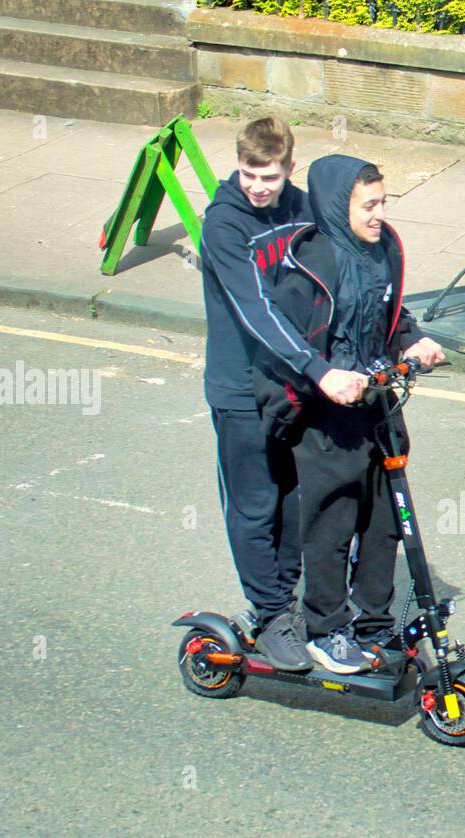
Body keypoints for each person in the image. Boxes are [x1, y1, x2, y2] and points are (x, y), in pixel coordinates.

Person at [251, 155, 446, 674]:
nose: (380, 214)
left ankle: (372, 622)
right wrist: (327, 376)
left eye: (383, 202)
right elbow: (284, 345)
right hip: (325, 412)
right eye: (369, 205)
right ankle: (324, 629)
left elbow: (389, 312)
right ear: (340, 205)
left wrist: (416, 339)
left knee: (385, 518)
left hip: (378, 401)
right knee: (332, 523)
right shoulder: (310, 265)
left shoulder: (382, 250)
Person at [199, 116, 318, 670]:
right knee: (256, 505)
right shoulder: (224, 224)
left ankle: (287, 601)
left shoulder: (303, 207)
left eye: (269, 175)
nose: (258, 186)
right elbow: (256, 309)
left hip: (292, 386)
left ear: (290, 168)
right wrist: (315, 366)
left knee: (297, 498)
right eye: (250, 173)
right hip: (240, 387)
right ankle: (269, 616)